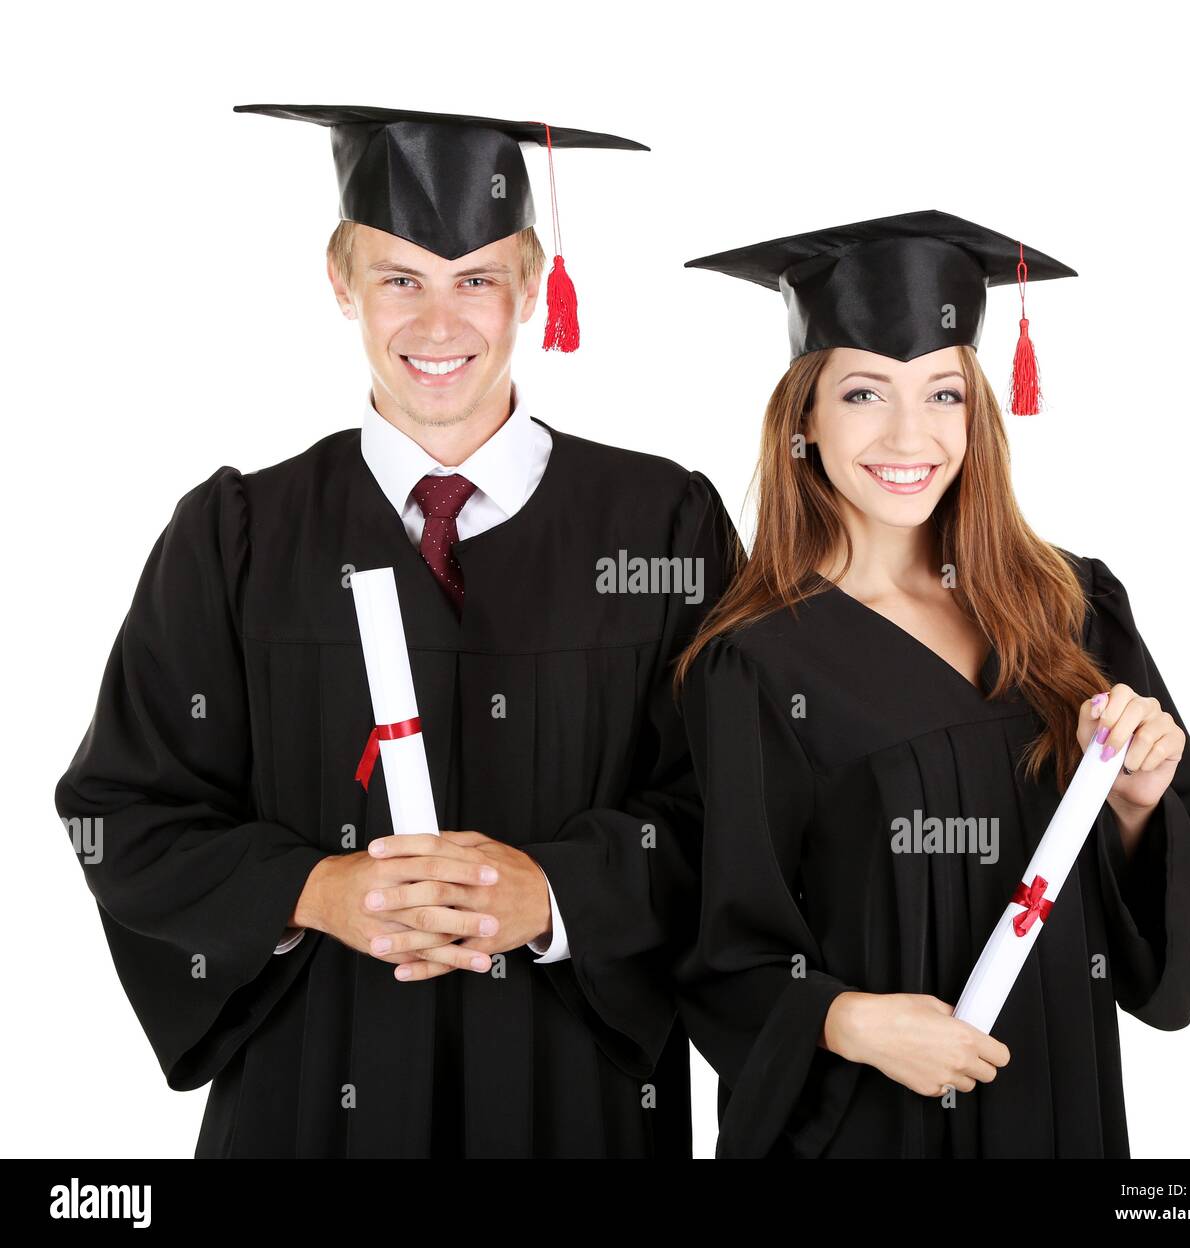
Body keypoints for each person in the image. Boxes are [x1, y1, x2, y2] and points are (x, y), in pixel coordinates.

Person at [54, 104, 739, 1158]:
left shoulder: (662, 523)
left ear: (528, 285)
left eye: (473, 278)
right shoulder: (237, 535)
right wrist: (311, 889)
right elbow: (124, 812)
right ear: (341, 282)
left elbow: (734, 811)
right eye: (398, 278)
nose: (437, 323)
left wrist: (554, 894)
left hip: (576, 1102)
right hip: (311, 1089)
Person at [673, 210, 1190, 1158]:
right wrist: (846, 1020)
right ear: (802, 416)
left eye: (943, 395)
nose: (908, 434)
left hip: (1060, 1102)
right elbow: (721, 948)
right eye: (862, 394)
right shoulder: (753, 662)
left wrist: (1135, 804)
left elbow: (1152, 924)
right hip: (872, 1125)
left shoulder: (1071, 603)